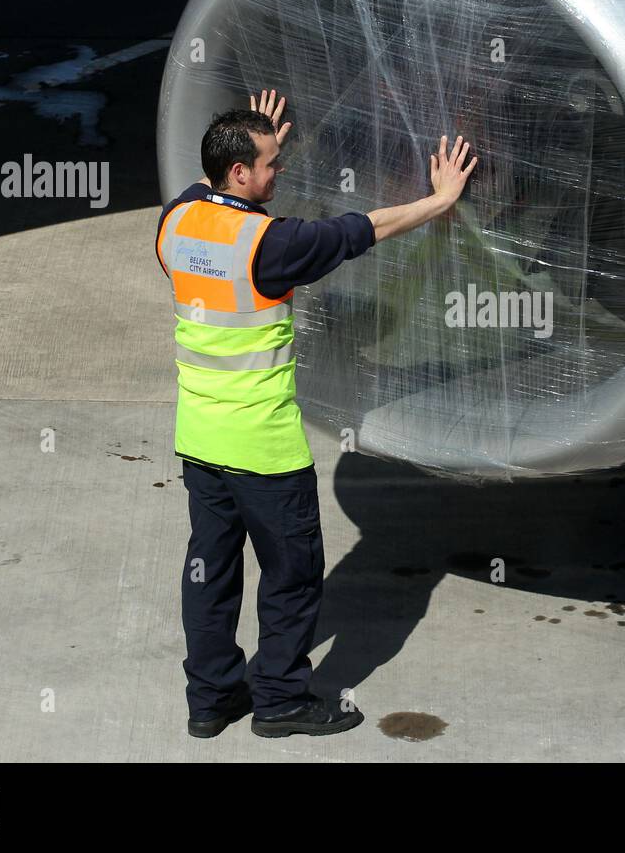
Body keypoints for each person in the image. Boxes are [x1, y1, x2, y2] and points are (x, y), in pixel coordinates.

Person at [156, 88, 478, 739]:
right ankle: (278, 697)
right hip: (264, 447)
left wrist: (248, 142)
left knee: (211, 572)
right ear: (240, 173)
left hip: (199, 440)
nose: (281, 171)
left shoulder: (175, 223)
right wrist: (439, 201)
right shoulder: (268, 244)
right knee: (293, 574)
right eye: (271, 163)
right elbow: (365, 228)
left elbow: (204, 190)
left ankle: (211, 697)